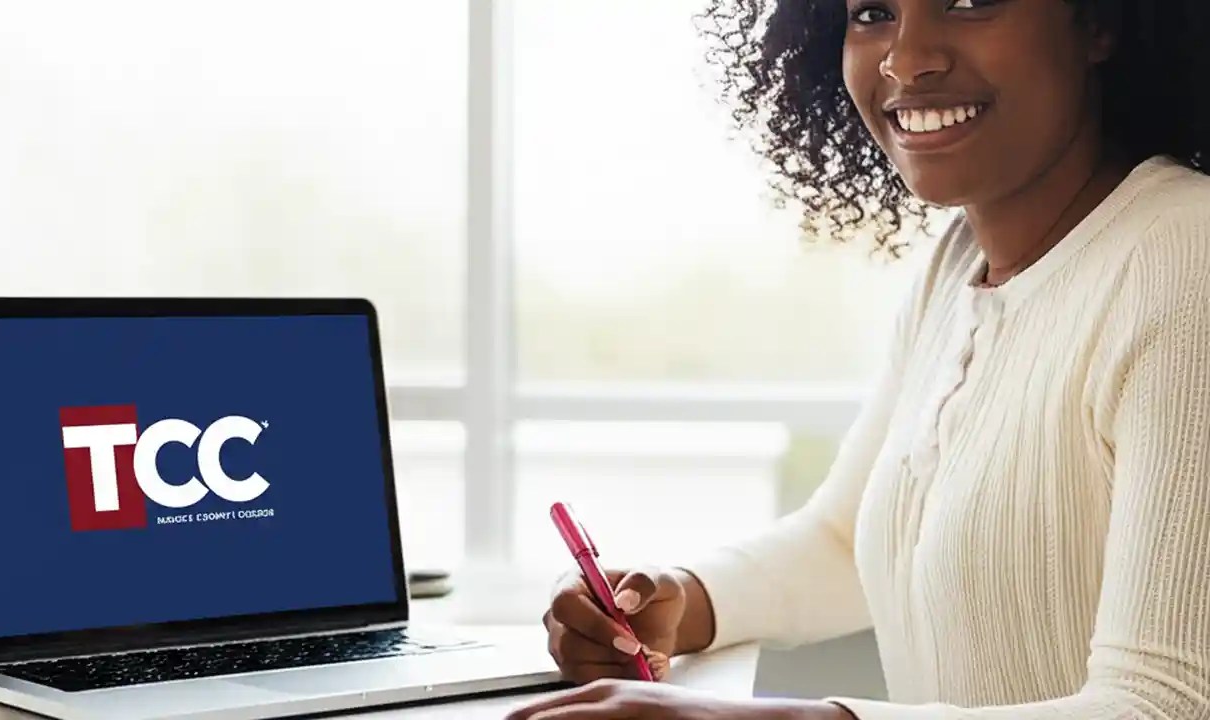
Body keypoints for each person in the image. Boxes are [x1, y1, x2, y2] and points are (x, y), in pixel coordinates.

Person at [507, 0, 1210, 718]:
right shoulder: (962, 260)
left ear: (1099, 22)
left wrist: (787, 718)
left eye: (967, 2)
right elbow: (848, 541)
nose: (906, 59)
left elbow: (1165, 704)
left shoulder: (1188, 260)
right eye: (872, 11)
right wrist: (681, 601)